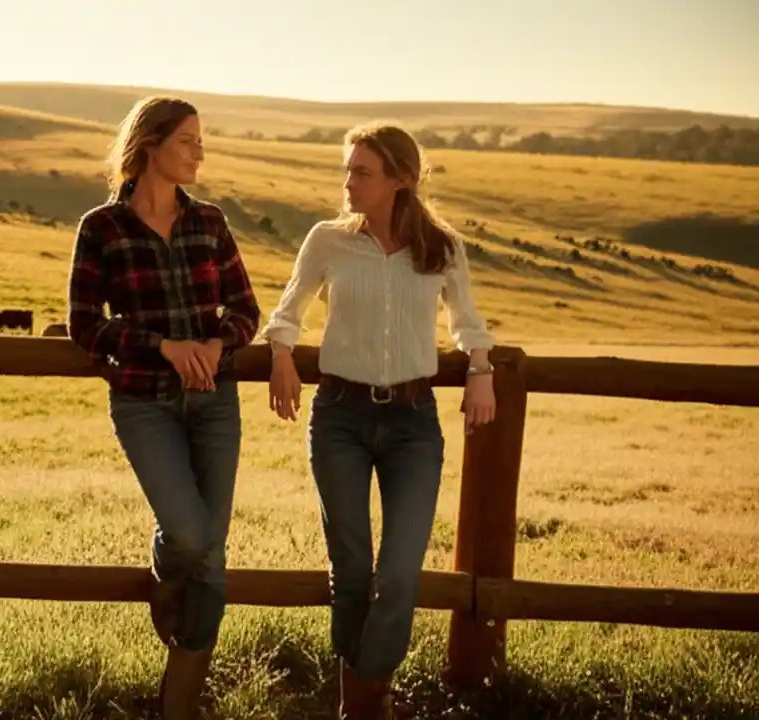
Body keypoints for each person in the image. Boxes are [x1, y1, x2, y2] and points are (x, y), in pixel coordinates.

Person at [262, 122, 497, 720]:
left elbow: (466, 320)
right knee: (350, 568)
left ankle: (361, 699)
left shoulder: (440, 245)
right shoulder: (327, 240)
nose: (348, 183)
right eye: (347, 170)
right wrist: (282, 355)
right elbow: (289, 309)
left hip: (415, 424)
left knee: (397, 576)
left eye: (361, 172)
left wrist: (481, 368)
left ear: (401, 179)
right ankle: (365, 706)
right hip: (340, 416)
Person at [67, 96, 260, 719]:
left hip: (214, 403)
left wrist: (213, 340)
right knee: (191, 536)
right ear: (150, 145)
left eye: (201, 141)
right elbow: (82, 326)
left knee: (211, 556)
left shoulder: (209, 221)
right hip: (143, 405)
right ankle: (163, 575)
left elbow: (245, 311)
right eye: (188, 141)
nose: (200, 152)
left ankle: (178, 706)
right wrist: (162, 346)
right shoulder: (101, 228)